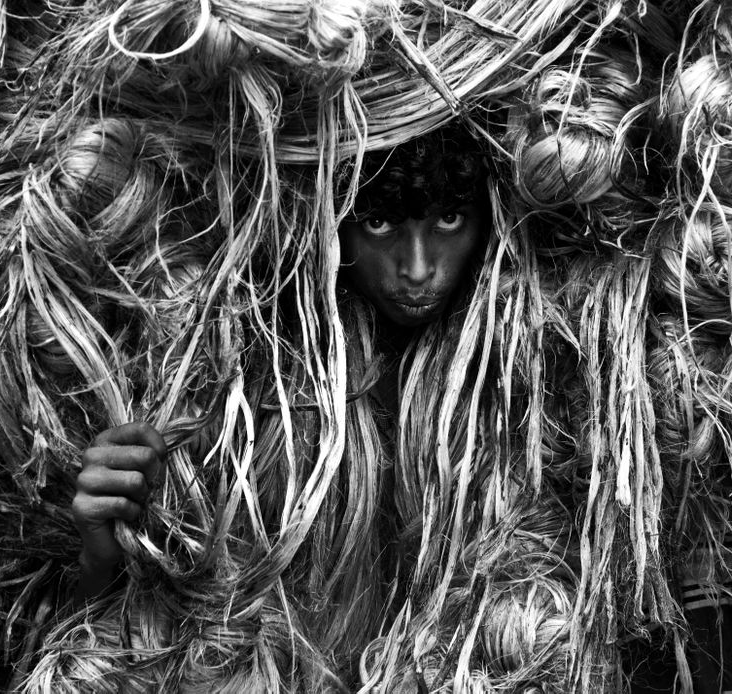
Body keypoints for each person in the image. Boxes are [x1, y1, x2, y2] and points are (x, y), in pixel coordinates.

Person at [69, 126, 491, 615]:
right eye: (378, 222)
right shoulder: (246, 390)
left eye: (450, 220)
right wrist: (102, 559)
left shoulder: (521, 389)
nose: (418, 270)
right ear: (328, 221)